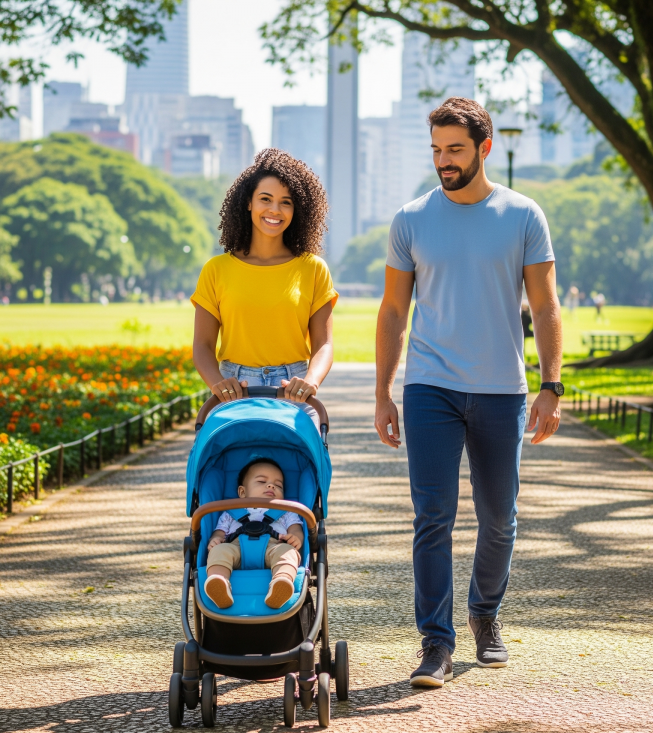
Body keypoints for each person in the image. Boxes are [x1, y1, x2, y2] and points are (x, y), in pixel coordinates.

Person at [375, 97, 563, 688]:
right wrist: (383, 392)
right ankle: (436, 642)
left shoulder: (523, 215)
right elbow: (393, 311)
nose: (443, 161)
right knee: (433, 517)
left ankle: (484, 613)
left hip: (502, 389)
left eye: (455, 149)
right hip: (429, 386)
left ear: (485, 148)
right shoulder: (411, 219)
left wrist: (551, 385)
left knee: (499, 518)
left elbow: (546, 306)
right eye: (436, 149)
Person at [191, 148, 337, 418]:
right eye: (265, 199)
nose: (275, 210)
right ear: (249, 202)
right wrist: (218, 385)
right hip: (234, 391)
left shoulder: (313, 268)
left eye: (286, 202)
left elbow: (323, 344)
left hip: (293, 390)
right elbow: (202, 346)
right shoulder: (216, 269)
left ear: (297, 209)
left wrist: (311, 382)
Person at [205, 459, 303, 610]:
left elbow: (296, 530)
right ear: (242, 492)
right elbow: (219, 533)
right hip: (235, 549)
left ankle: (282, 582)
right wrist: (215, 539)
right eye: (262, 481)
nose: (271, 486)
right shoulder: (230, 512)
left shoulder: (286, 512)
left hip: (274, 547)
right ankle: (219, 582)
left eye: (278, 485)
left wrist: (296, 538)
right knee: (219, 550)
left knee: (288, 552)